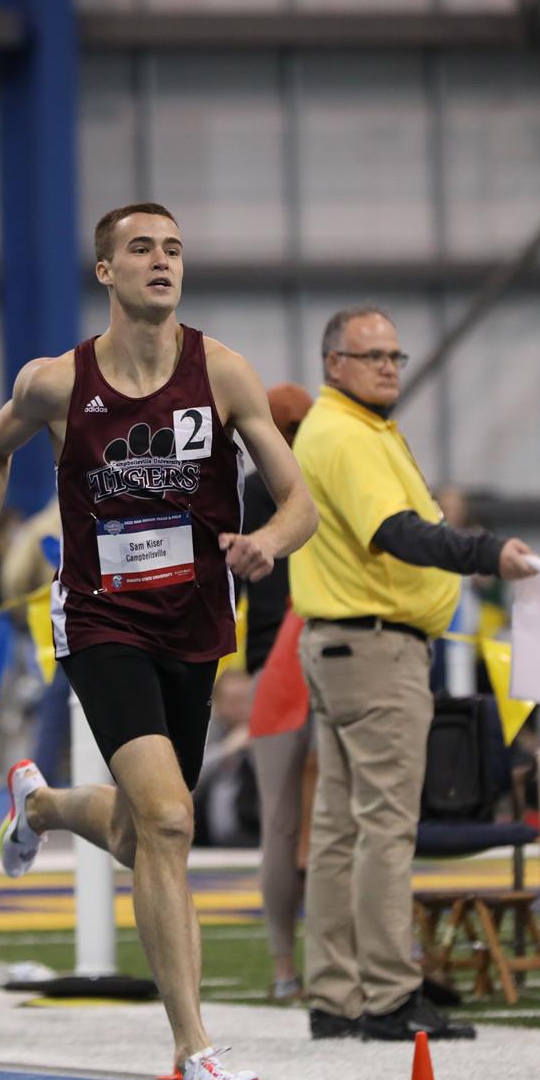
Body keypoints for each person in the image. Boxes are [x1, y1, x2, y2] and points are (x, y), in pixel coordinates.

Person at [0, 202, 316, 1080]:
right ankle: (197, 1054)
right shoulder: (57, 382)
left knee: (142, 832)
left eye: (175, 248)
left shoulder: (222, 370)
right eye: (143, 249)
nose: (163, 261)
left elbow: (299, 499)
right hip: (102, 620)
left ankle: (42, 803)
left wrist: (268, 540)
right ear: (105, 270)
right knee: (168, 817)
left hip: (195, 624)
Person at [290, 305, 534, 1045]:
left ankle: (335, 992)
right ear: (334, 364)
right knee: (384, 829)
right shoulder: (347, 434)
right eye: (372, 355)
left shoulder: (349, 429)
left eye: (395, 354)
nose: (389, 366)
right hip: (374, 647)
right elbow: (397, 532)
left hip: (340, 642)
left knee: (338, 829)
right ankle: (390, 996)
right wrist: (487, 552)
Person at [241, 382, 314, 1005]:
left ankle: (286, 967)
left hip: (272, 667)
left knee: (281, 825)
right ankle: (363, 959)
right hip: (324, 644)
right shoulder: (304, 482)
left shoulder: (244, 486)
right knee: (353, 821)